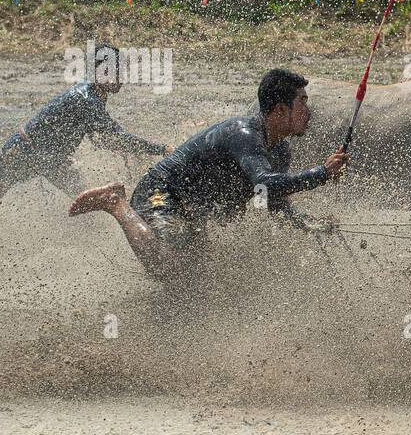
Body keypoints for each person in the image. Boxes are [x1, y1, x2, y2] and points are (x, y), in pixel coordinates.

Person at [68, 70, 347, 280]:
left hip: (193, 210)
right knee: (170, 269)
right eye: (303, 103)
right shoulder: (244, 134)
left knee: (199, 281)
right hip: (161, 191)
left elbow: (273, 200)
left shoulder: (280, 151)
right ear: (279, 110)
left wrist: (311, 224)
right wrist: (321, 173)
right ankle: (115, 202)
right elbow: (265, 183)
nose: (309, 112)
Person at [0, 45, 169, 209]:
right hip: (25, 154)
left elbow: (103, 139)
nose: (121, 76)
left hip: (50, 159)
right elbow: (114, 139)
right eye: (116, 71)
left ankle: (86, 241)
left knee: (86, 202)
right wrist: (161, 149)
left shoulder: (93, 95)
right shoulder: (87, 99)